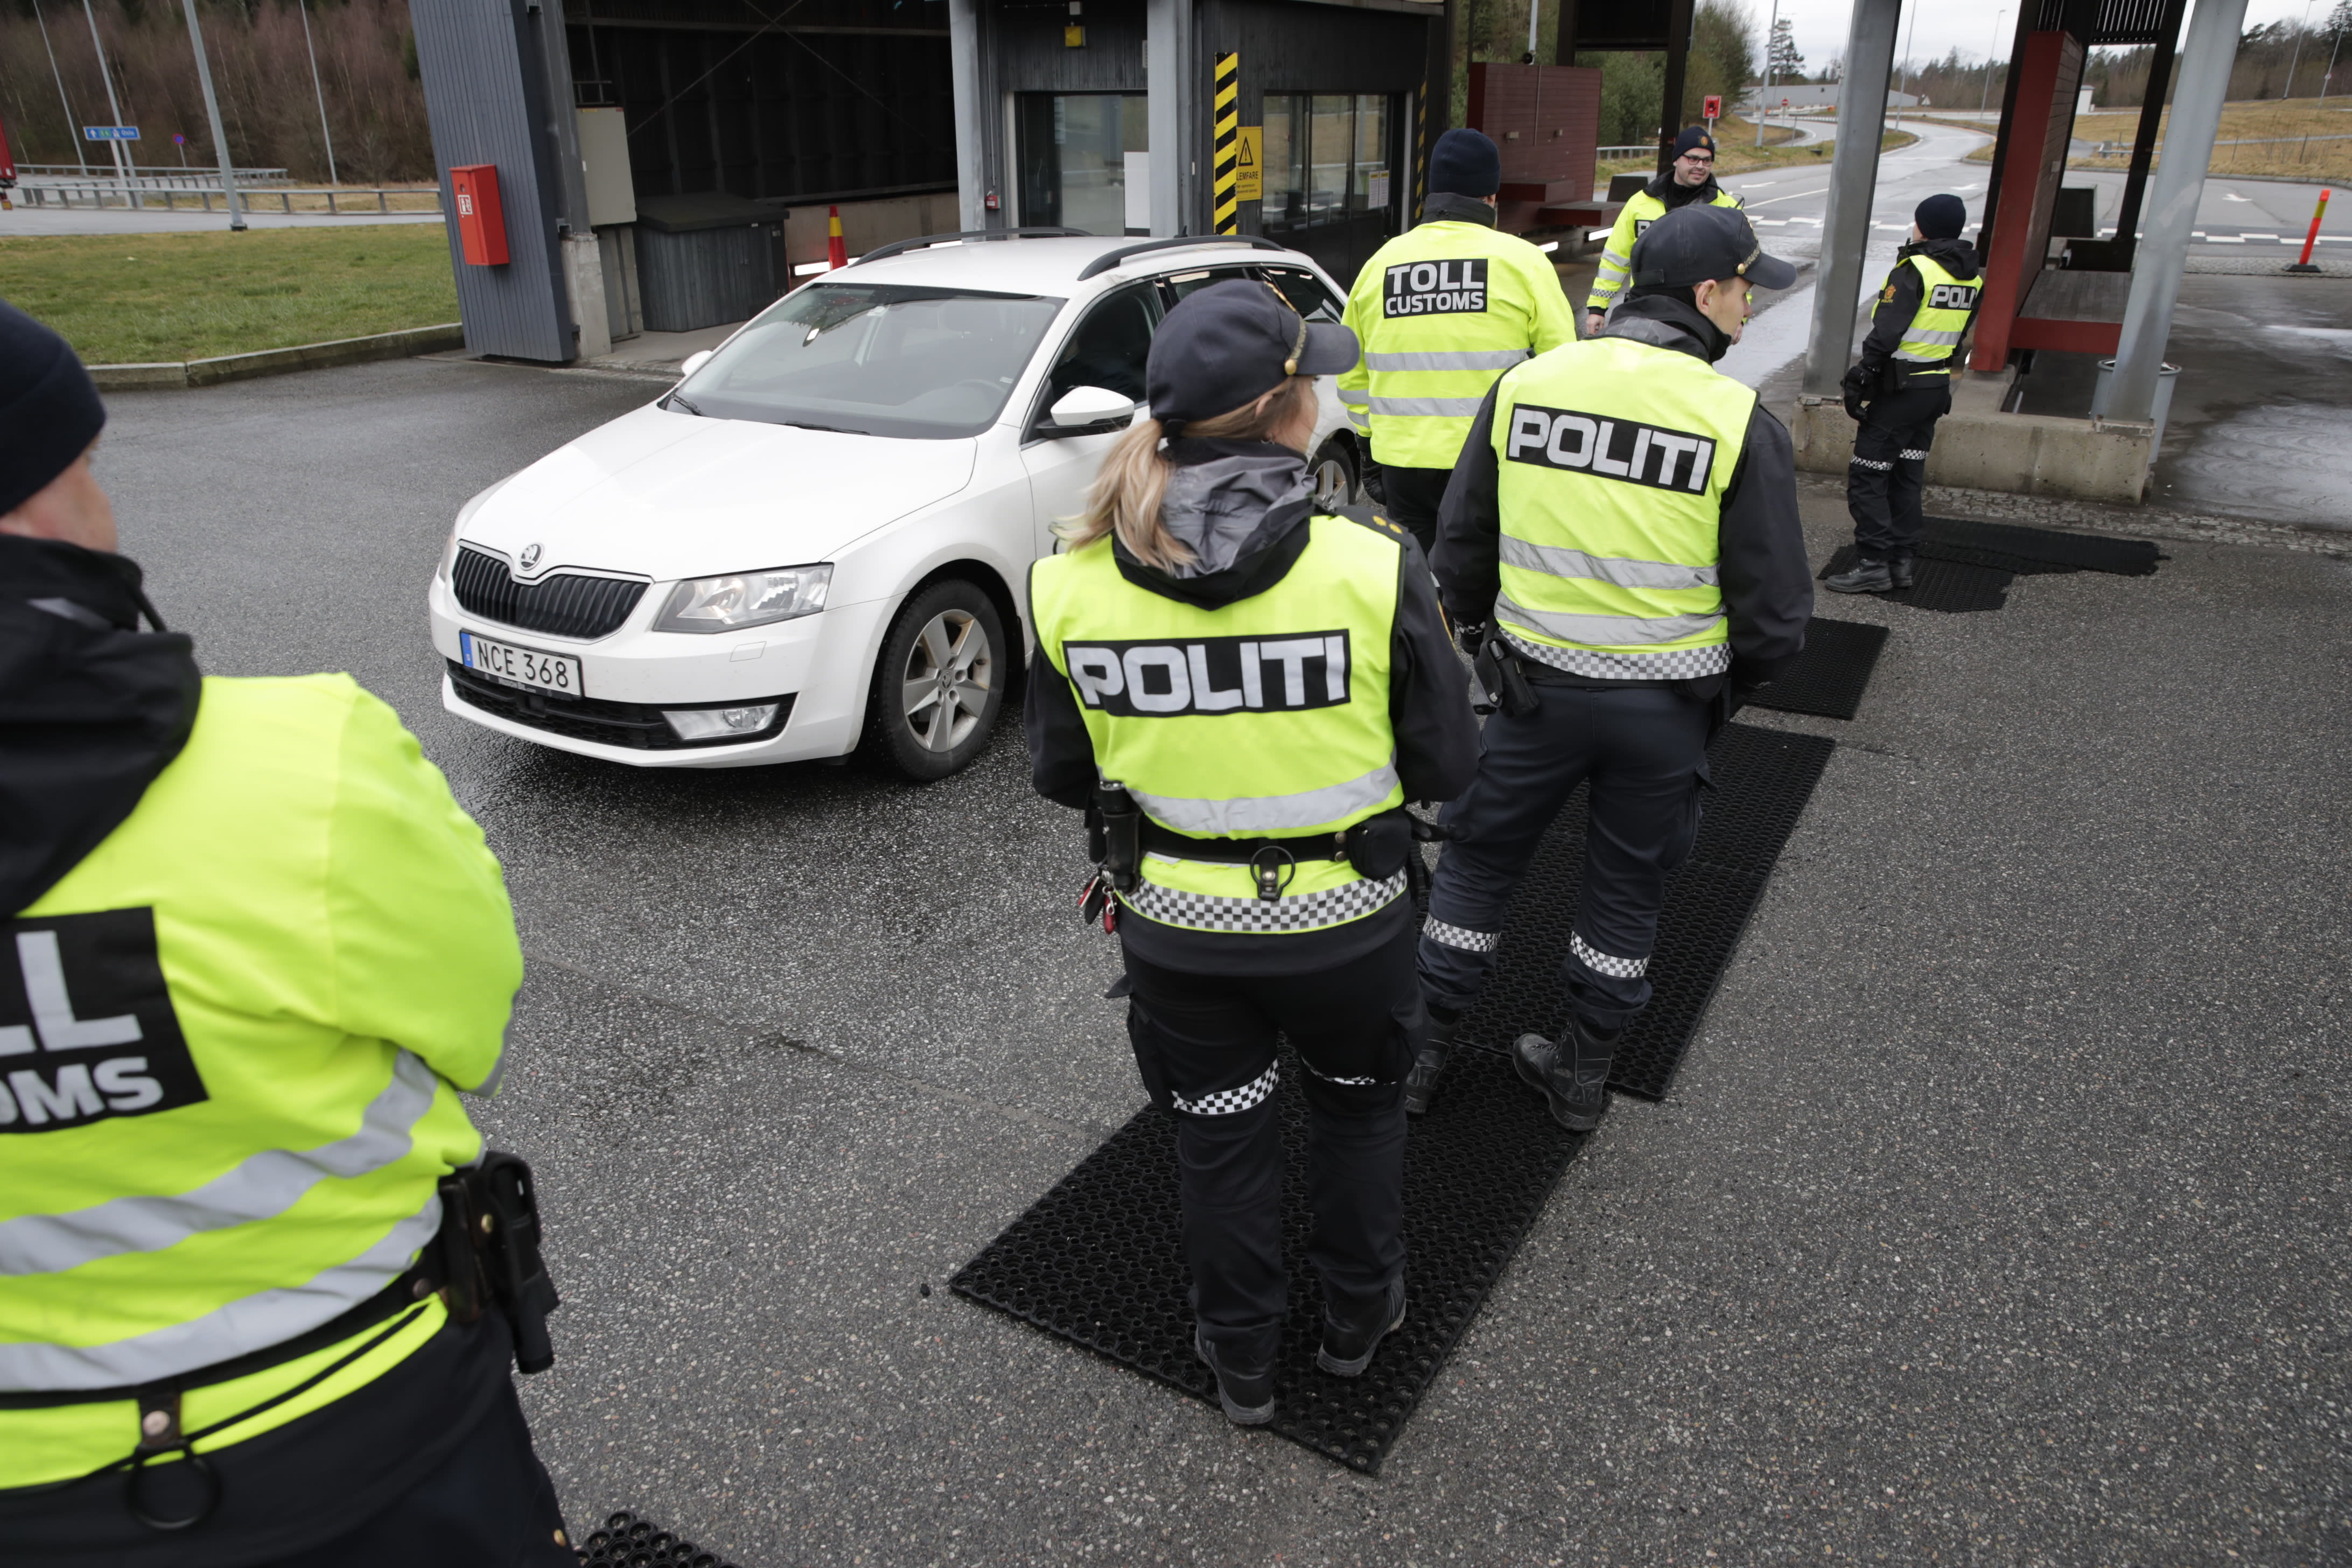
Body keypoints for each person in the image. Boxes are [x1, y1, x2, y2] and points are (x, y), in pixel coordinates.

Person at [0, 300, 572, 1566]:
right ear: (34, 505)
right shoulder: (300, 765)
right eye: (86, 467)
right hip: (364, 1433)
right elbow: (473, 1015)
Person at [1026, 281, 1479, 1424]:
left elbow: (1063, 775)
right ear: (1285, 410)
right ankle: (1357, 1319)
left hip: (1177, 933)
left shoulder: (1069, 581)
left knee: (1220, 1147)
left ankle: (1238, 1360)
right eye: (1312, 377)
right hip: (1350, 927)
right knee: (1359, 1118)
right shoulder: (1370, 564)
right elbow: (1446, 765)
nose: (1325, 391)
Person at [1412, 205, 1813, 1128]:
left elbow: (1460, 546)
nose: (1749, 312)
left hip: (1529, 696)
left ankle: (1422, 1053)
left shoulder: (1526, 385)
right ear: (1705, 294)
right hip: (1663, 711)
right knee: (1625, 885)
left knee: (1476, 864)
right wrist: (1728, 686)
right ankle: (1582, 1073)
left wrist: (1482, 641)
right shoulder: (1734, 419)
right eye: (1745, 291)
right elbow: (1775, 614)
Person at [1337, 128, 1576, 557]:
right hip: (1492, 461)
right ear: (1490, 198)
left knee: (1420, 581)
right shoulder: (1523, 263)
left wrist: (1367, 441)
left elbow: (1352, 368)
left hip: (1403, 463)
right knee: (1483, 576)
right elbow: (1561, 367)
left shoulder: (1381, 263)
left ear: (1432, 196)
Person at [1825, 194, 1983, 594]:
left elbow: (1889, 331)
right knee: (1907, 475)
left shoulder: (1916, 269)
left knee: (1869, 475)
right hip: (1934, 389)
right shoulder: (1971, 277)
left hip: (1900, 391)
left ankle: (1873, 564)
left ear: (1922, 227)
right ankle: (1901, 562)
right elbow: (1956, 337)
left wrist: (1862, 376)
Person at [1584, 127, 1746, 338]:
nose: (1701, 166)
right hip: (1645, 309)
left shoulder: (1727, 210)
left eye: (1707, 161)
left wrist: (1737, 317)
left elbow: (1742, 268)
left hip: (1698, 315)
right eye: (1693, 159)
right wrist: (1598, 308)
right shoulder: (1640, 203)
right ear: (1677, 159)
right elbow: (1615, 259)